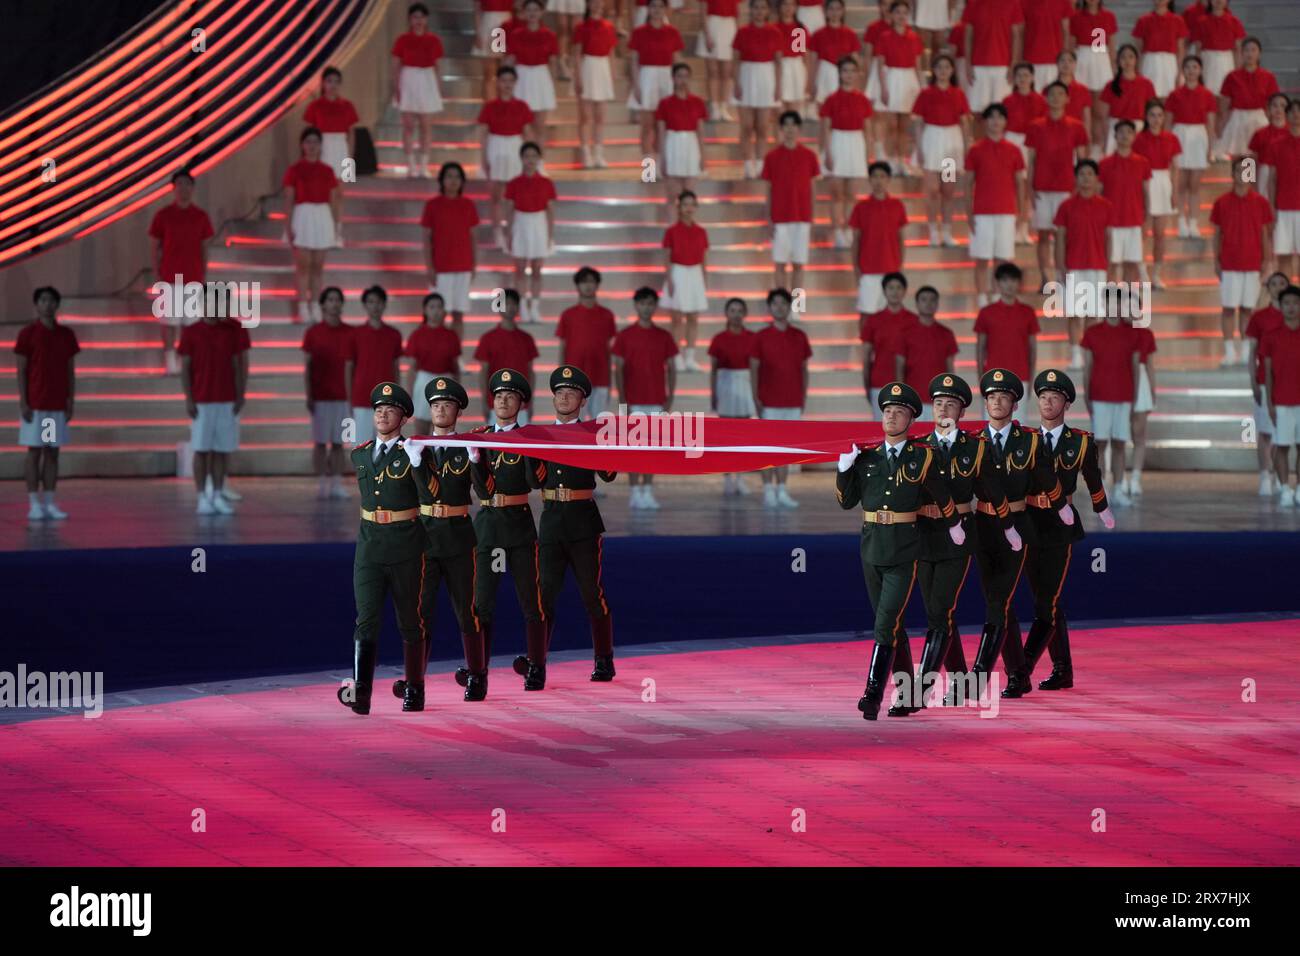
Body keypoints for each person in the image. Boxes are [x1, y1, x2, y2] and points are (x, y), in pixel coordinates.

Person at [835, 381, 962, 719]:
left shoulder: (922, 457)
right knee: (890, 626)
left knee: (885, 622)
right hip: (871, 548)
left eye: (899, 411)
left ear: (911, 419)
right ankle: (907, 694)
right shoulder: (867, 458)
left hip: (904, 550)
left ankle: (872, 695)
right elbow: (847, 502)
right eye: (887, 411)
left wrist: (955, 525)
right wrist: (843, 471)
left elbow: (941, 493)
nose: (891, 416)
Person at [914, 372, 1020, 709]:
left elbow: (991, 488)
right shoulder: (918, 447)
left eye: (951, 405)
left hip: (958, 533)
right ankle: (960, 680)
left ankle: (920, 690)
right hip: (923, 534)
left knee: (942, 608)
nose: (944, 409)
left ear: (962, 413)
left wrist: (1008, 526)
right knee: (935, 612)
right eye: (938, 404)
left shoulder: (975, 448)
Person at [973, 368, 1069, 699]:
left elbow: (1046, 479)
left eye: (1004, 397)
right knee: (998, 603)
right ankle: (1018, 674)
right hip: (983, 528)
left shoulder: (1029, 441)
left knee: (999, 600)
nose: (997, 402)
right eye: (991, 397)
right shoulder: (974, 443)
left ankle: (979, 675)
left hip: (1016, 525)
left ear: (1015, 405)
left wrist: (1062, 509)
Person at [1021, 369, 1116, 691]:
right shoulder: (1025, 440)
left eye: (1055, 397)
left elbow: (1093, 477)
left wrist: (1101, 508)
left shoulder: (1080, 441)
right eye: (1043, 397)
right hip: (1030, 521)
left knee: (1047, 600)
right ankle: (1063, 669)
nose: (1048, 402)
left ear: (1066, 403)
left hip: (1060, 525)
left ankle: (1023, 667)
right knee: (1044, 600)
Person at [395, 376, 488, 703]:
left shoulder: (467, 446)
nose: (441, 410)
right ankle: (414, 684)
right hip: (426, 537)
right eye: (436, 405)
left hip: (459, 537)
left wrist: (478, 462)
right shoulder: (416, 445)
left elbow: (486, 492)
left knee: (467, 611)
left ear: (457, 411)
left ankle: (477, 675)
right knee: (420, 613)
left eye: (447, 405)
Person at [338, 382, 426, 715]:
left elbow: (430, 493)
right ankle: (362, 693)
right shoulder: (360, 453)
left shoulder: (414, 452)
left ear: (403, 417)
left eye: (390, 410)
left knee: (409, 621)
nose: (382, 414)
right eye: (378, 409)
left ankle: (414, 689)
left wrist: (418, 464)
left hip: (405, 543)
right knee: (367, 620)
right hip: (370, 545)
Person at [537, 365, 619, 682]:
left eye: (571, 393)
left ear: (583, 401)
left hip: (583, 522)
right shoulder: (540, 435)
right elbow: (532, 480)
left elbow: (609, 475)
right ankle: (536, 661)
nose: (564, 397)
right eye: (560, 392)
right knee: (544, 596)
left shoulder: (592, 435)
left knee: (591, 593)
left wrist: (609, 445)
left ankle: (604, 659)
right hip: (552, 521)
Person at [471, 368, 549, 688]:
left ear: (521, 403)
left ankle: (537, 666)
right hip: (490, 527)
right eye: (499, 396)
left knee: (531, 601)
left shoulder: (530, 438)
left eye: (510, 396)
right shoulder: (480, 437)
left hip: (518, 527)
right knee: (482, 603)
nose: (503, 401)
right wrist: (476, 459)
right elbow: (482, 491)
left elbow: (535, 482)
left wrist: (529, 449)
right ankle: (478, 671)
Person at [15, 286, 79, 522]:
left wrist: (70, 400)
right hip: (36, 405)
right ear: (37, 304)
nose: (47, 304)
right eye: (43, 300)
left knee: (51, 453)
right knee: (34, 452)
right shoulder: (28, 334)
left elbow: (70, 371)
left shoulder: (66, 335)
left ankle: (50, 502)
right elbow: (21, 371)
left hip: (55, 407)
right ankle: (33, 503)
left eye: (52, 300)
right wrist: (24, 401)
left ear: (57, 304)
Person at [613, 287, 679, 509]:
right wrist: (623, 400)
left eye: (650, 303)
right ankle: (634, 492)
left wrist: (669, 398)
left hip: (656, 400)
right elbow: (618, 370)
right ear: (636, 306)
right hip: (633, 401)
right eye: (642, 303)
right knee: (633, 450)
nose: (646, 308)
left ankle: (647, 491)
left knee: (653, 449)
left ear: (655, 306)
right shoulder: (624, 336)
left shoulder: (664, 336)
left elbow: (671, 368)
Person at [179, 309, 250, 515]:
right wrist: (189, 399)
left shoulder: (231, 332)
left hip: (226, 399)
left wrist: (240, 395)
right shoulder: (192, 332)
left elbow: (238, 365)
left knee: (221, 450)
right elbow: (185, 368)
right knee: (201, 450)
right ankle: (202, 497)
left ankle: (217, 495)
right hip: (202, 400)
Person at [751, 288, 811, 508]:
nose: (779, 307)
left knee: (787, 448)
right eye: (775, 304)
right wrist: (755, 397)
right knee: (769, 447)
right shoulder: (760, 337)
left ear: (789, 307)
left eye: (783, 303)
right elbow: (754, 369)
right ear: (769, 308)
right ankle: (768, 490)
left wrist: (803, 395)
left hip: (792, 400)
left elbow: (804, 369)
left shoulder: (799, 336)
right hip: (769, 400)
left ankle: (782, 490)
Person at [1027, 81, 1090, 289]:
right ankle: (1045, 278)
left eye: (1060, 94)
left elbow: (1082, 161)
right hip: (1042, 188)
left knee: (1064, 235)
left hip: (1067, 188)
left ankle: (1063, 277)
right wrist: (1029, 187)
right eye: (1051, 94)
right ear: (1045, 98)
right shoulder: (1036, 126)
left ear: (1067, 99)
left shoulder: (1076, 126)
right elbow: (1032, 160)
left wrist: (1081, 188)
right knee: (1043, 235)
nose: (1056, 98)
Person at [1211, 157, 1275, 366]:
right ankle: (1229, 351)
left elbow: (1265, 234)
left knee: (1248, 309)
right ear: (1232, 174)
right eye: (1239, 170)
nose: (1243, 174)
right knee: (1229, 308)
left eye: (1247, 170)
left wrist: (1267, 259)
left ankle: (1247, 350)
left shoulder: (1260, 202)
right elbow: (1217, 234)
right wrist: (1216, 261)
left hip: (1253, 263)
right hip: (1229, 262)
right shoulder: (1222, 202)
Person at [149, 171, 214, 373]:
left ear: (192, 188)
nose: (183, 188)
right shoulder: (163, 215)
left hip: (193, 277)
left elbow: (205, 248)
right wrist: (156, 272)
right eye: (179, 184)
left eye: (187, 184)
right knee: (169, 321)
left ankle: (185, 361)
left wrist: (203, 273)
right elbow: (155, 247)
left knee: (190, 325)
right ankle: (169, 361)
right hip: (169, 276)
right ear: (173, 188)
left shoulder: (201, 216)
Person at [1053, 159, 1113, 369]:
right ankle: (1075, 354)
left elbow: (1108, 239)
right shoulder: (1066, 206)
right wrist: (1060, 266)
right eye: (1082, 174)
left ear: (1097, 179)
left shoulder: (1106, 206)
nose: (1086, 179)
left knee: (1094, 313)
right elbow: (1060, 238)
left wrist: (1110, 267)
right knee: (1074, 313)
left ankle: (1090, 351)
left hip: (1098, 266)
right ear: (1075, 178)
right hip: (1074, 265)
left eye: (1090, 174)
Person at [964, 103, 1025, 305]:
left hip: (1006, 212)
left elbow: (1019, 184)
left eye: (1000, 117)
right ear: (984, 121)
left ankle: (999, 298)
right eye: (991, 117)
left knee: (1001, 259)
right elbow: (967, 184)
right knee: (981, 259)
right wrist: (968, 213)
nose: (995, 121)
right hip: (982, 212)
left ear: (1006, 122)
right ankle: (982, 300)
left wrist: (1022, 213)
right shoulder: (975, 150)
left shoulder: (1015, 150)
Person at [1080, 309, 1142, 505]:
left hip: (1123, 396)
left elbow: (1135, 368)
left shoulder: (1133, 333)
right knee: (1100, 444)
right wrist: (1087, 394)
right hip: (1100, 395)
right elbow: (1088, 366)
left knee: (1119, 443)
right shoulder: (1092, 333)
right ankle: (1101, 492)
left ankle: (1118, 489)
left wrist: (1134, 397)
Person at [911, 53, 969, 247]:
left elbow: (964, 122)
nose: (943, 71)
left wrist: (966, 146)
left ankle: (946, 230)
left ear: (952, 71)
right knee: (932, 190)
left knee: (948, 190)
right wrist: (918, 148)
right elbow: (918, 123)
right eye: (939, 67)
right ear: (934, 71)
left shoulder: (958, 94)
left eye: (947, 67)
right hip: (931, 140)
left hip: (951, 144)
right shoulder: (926, 94)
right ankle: (933, 231)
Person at [283, 128, 339, 324]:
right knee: (303, 266)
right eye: (308, 141)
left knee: (318, 266)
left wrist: (335, 225)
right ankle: (302, 306)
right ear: (302, 145)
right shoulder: (294, 170)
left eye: (316, 141)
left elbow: (333, 201)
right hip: (303, 215)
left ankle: (315, 304)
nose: (312, 146)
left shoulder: (328, 171)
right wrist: (288, 226)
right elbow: (289, 200)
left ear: (321, 145)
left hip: (322, 215)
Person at [301, 286, 353, 500]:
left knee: (340, 443)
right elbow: (308, 367)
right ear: (322, 305)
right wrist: (309, 395)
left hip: (343, 396)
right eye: (330, 300)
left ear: (342, 304)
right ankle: (322, 482)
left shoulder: (351, 333)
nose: (334, 304)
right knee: (321, 442)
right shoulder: (313, 333)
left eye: (337, 300)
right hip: (321, 396)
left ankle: (337, 482)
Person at [479, 66, 536, 253]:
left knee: (513, 195)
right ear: (498, 83)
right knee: (496, 195)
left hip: (515, 148)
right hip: (496, 147)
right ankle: (498, 233)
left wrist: (533, 158)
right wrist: (483, 158)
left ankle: (511, 231)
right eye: (504, 81)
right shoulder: (490, 107)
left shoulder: (522, 106)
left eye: (511, 81)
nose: (507, 85)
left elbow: (528, 134)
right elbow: (484, 135)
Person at [762, 110, 821, 290]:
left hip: (802, 218)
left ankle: (797, 308)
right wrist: (769, 218)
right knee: (780, 264)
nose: (789, 129)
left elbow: (812, 189)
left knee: (798, 265)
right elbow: (768, 190)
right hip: (780, 218)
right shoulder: (771, 157)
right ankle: (780, 306)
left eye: (793, 125)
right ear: (780, 129)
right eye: (786, 125)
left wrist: (812, 217)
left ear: (799, 129)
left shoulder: (809, 156)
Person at [421, 162, 479, 340]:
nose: (453, 181)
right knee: (438, 314)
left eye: (457, 177)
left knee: (458, 314)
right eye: (449, 176)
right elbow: (426, 239)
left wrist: (474, 264)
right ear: (442, 180)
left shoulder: (468, 205)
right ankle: (438, 354)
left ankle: (456, 354)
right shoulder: (432, 205)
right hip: (441, 267)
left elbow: (473, 237)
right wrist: (429, 267)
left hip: (463, 266)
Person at [821, 58, 873, 248]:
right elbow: (825, 129)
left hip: (856, 144)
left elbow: (868, 130)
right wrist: (827, 152)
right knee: (837, 194)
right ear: (839, 74)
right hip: (837, 141)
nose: (849, 75)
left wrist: (868, 155)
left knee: (851, 195)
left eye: (852, 71)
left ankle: (849, 231)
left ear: (857, 74)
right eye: (845, 71)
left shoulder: (863, 100)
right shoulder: (831, 99)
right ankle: (836, 232)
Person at [1244, 272, 1289, 496]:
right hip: (1265, 381)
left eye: (1282, 283)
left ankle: (1283, 479)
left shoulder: (1294, 317)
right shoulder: (1259, 317)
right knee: (1264, 432)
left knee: (1285, 433)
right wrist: (1253, 382)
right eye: (1274, 284)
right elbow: (1252, 354)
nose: (1278, 287)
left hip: (1291, 383)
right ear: (1268, 288)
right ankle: (1265, 475)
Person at [303, 66, 359, 245]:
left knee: (340, 193)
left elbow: (351, 133)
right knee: (324, 192)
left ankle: (337, 232)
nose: (333, 85)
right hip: (322, 147)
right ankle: (324, 231)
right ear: (323, 83)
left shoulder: (347, 105)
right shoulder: (315, 105)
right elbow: (309, 133)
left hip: (341, 148)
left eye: (336, 81)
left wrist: (350, 159)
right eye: (329, 81)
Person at [1165, 55, 1219, 237]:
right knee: (1181, 183)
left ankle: (1194, 222)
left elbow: (1211, 124)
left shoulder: (1208, 95)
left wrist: (1211, 148)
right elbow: (1168, 124)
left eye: (1194, 67)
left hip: (1198, 137)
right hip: (1179, 134)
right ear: (1182, 70)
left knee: (1194, 184)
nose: (1191, 71)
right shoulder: (1174, 95)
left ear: (1200, 70)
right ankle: (1181, 222)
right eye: (1187, 67)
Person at [709, 297, 757, 496]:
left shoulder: (752, 338)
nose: (736, 314)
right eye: (732, 310)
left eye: (740, 310)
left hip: (745, 382)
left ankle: (741, 478)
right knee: (726, 437)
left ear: (744, 314)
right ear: (727, 314)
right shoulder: (719, 338)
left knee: (744, 436)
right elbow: (713, 369)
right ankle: (728, 478)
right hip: (726, 384)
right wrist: (713, 393)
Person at [391, 3, 445, 179]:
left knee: (425, 128)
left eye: (421, 17)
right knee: (408, 127)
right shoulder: (402, 40)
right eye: (415, 17)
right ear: (409, 19)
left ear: (426, 19)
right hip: (408, 79)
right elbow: (396, 66)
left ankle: (423, 166)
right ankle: (411, 166)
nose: (418, 20)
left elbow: (437, 67)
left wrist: (437, 89)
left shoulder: (434, 40)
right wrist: (396, 88)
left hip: (427, 80)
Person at [345, 285, 404, 445]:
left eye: (378, 302)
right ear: (365, 305)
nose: (375, 306)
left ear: (384, 304)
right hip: (362, 398)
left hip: (387, 399)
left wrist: (397, 398)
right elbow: (349, 368)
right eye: (371, 302)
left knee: (387, 446)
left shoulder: (394, 334)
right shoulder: (355, 334)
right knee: (361, 446)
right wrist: (349, 398)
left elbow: (396, 367)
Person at [505, 141, 557, 324]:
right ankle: (522, 308)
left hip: (539, 223)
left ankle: (534, 307)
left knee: (536, 269)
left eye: (534, 156)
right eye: (527, 156)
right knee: (519, 269)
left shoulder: (546, 183)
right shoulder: (514, 183)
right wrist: (508, 233)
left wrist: (550, 235)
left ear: (539, 159)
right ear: (521, 159)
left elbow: (550, 211)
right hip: (521, 223)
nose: (530, 160)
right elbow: (510, 209)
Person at [557, 267, 618, 419]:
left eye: (591, 281)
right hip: (574, 379)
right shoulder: (568, 315)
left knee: (600, 424)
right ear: (577, 286)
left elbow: (609, 350)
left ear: (597, 285)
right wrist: (562, 380)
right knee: (575, 424)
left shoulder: (607, 315)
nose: (588, 285)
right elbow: (563, 348)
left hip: (600, 377)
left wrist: (610, 381)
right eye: (584, 282)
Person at [733, 0, 785, 179]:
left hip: (766, 78)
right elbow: (736, 60)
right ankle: (748, 165)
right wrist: (736, 83)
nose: (759, 11)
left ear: (768, 10)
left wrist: (778, 86)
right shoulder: (742, 32)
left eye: (763, 8)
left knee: (762, 127)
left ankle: (761, 164)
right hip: (747, 76)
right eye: (756, 7)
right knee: (747, 127)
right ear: (750, 10)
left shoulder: (775, 32)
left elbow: (778, 62)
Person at [850, 162, 908, 317]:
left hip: (891, 268)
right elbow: (856, 240)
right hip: (868, 269)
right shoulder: (861, 207)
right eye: (875, 176)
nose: (878, 181)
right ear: (869, 180)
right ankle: (866, 341)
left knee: (890, 313)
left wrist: (900, 264)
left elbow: (900, 238)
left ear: (888, 179)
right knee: (866, 312)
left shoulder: (897, 206)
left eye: (882, 176)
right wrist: (856, 267)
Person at [628, 0, 684, 159]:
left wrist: (678, 83)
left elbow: (677, 59)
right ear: (648, 9)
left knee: (663, 126)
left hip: (666, 78)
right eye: (654, 6)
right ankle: (648, 171)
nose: (657, 10)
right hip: (646, 78)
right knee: (647, 127)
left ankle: (660, 166)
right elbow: (634, 61)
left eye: (661, 6)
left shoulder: (672, 32)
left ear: (666, 9)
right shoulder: (639, 32)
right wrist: (636, 85)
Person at [1098, 120, 1152, 287]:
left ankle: (1128, 301)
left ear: (1134, 136)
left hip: (1134, 220)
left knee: (1131, 263)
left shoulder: (1142, 163)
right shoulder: (1104, 164)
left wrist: (1146, 218)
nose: (1125, 136)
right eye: (1121, 132)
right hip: (1111, 222)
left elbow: (1146, 193)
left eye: (1129, 132)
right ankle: (1111, 302)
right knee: (1111, 263)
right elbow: (1099, 193)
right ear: (1115, 136)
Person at [1134, 100, 1182, 288]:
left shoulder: (1171, 139)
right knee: (1143, 233)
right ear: (1146, 117)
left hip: (1163, 183)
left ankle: (1156, 273)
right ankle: (1141, 270)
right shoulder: (1138, 139)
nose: (1156, 119)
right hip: (1144, 183)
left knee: (1160, 234)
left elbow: (1175, 168)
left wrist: (1174, 191)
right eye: (1152, 115)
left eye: (1160, 115)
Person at [661, 190, 710, 371]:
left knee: (693, 318)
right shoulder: (671, 231)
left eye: (692, 204)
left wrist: (704, 279)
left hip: (695, 273)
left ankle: (690, 357)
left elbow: (704, 258)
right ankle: (677, 357)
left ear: (696, 207)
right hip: (678, 272)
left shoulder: (701, 232)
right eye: (685, 205)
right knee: (676, 319)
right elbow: (666, 257)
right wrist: (669, 280)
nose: (688, 208)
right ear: (679, 208)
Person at [474, 288, 539, 423]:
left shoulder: (526, 339)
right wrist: (484, 401)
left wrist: (530, 401)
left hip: (521, 403)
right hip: (496, 403)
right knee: (496, 443)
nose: (510, 307)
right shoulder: (488, 338)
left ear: (518, 307)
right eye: (506, 304)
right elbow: (483, 372)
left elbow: (530, 372)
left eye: (513, 304)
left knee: (520, 442)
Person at [875, 1, 923, 174]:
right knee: (891, 125)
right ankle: (889, 160)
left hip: (909, 80)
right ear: (891, 15)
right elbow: (880, 65)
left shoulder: (914, 37)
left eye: (904, 13)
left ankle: (902, 160)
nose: (901, 16)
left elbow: (918, 65)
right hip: (892, 78)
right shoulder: (884, 37)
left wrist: (921, 86)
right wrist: (883, 88)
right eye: (898, 13)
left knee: (904, 126)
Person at [1262, 285, 1300, 507]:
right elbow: (1267, 372)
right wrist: (1270, 402)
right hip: (1281, 400)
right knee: (1282, 446)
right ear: (1281, 306)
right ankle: (1285, 487)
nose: (1291, 307)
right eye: (1287, 303)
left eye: (1295, 303)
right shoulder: (1271, 336)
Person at [860, 272, 918, 414]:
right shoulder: (873, 320)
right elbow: (866, 356)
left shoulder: (914, 320)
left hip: (909, 384)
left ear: (904, 291)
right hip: (880, 383)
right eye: (891, 288)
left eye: (899, 288)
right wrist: (867, 385)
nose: (895, 292)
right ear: (884, 291)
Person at [404, 292, 462, 434]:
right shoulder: (417, 335)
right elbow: (411, 368)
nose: (436, 311)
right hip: (424, 381)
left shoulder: (451, 335)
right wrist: (410, 394)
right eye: (432, 307)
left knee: (445, 428)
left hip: (447, 381)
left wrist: (458, 393)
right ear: (425, 310)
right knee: (422, 428)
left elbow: (456, 367)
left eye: (439, 307)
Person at [1004, 62, 1048, 244]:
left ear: (1032, 78)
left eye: (1026, 76)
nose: (1023, 79)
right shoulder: (1007, 100)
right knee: (1014, 186)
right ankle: (1013, 227)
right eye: (1019, 76)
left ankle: (1024, 227)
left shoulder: (1040, 101)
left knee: (1028, 186)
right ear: (1014, 79)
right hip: (1012, 140)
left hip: (1031, 143)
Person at [506, 0, 559, 150]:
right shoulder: (516, 35)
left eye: (536, 10)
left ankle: (539, 161)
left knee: (540, 125)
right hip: (522, 78)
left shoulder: (550, 35)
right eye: (529, 10)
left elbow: (553, 61)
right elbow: (510, 60)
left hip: (541, 78)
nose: (532, 13)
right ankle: (522, 159)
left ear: (541, 13)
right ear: (524, 13)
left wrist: (552, 85)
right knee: (522, 124)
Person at [1214, 37, 1278, 162]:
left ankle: (1251, 181)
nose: (1250, 54)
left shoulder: (1268, 77)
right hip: (1238, 118)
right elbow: (1224, 105)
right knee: (1239, 158)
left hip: (1259, 119)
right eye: (1247, 50)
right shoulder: (1232, 76)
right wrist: (1221, 126)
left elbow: (1272, 104)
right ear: (1241, 53)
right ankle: (1240, 181)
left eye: (1253, 50)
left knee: (1257, 157)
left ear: (1259, 54)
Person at [974, 262, 1039, 381]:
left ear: (1019, 283)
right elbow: (980, 349)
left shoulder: (1028, 312)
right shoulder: (986, 312)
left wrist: (1030, 380)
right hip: (993, 377)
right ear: (997, 283)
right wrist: (981, 379)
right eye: (1004, 280)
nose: (1009, 285)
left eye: (1013, 280)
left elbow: (1032, 349)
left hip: (1021, 377)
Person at [657, 63, 709, 211]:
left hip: (691, 145)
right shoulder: (665, 103)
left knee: (689, 195)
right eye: (680, 76)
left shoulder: (698, 102)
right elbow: (660, 133)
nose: (683, 80)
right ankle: (672, 228)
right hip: (673, 144)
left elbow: (700, 131)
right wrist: (662, 159)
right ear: (673, 78)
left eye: (686, 76)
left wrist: (703, 156)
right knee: (672, 196)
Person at [962, 0, 1024, 122]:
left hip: (1003, 67)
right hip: (978, 65)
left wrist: (1013, 65)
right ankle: (980, 141)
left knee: (1002, 111)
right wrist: (968, 65)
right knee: (977, 112)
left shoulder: (1013, 3)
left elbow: (1016, 36)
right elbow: (968, 36)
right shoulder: (973, 3)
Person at [1069, 0, 1118, 152]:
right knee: (1082, 109)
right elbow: (1071, 43)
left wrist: (1113, 66)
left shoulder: (1108, 16)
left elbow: (1110, 43)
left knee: (1101, 111)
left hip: (1100, 60)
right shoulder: (1075, 16)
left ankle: (1099, 148)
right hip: (1082, 60)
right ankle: (1084, 147)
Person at [574, 0, 617, 168]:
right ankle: (585, 153)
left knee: (600, 116)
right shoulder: (581, 27)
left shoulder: (608, 26)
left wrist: (612, 74)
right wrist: (578, 77)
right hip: (588, 67)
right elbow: (577, 54)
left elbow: (612, 52)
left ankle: (598, 153)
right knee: (585, 116)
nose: (597, 4)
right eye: (593, 2)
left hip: (603, 68)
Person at [899, 285, 956, 408]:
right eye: (924, 299)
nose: (928, 303)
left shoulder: (946, 333)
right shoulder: (905, 333)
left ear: (937, 304)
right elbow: (899, 368)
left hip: (940, 400)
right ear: (917, 304)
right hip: (913, 400)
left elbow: (950, 369)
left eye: (932, 300)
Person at [1098, 44, 1156, 155]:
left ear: (1136, 60)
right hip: (1115, 128)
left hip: (1138, 128)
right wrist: (1104, 138)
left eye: (1131, 57)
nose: (1127, 61)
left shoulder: (1146, 84)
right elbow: (1103, 116)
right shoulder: (1111, 85)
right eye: (1123, 57)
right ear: (1118, 61)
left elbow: (1151, 111)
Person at [808, 0, 859, 110]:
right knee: (824, 111)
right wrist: (811, 83)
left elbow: (855, 61)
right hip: (824, 75)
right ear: (825, 11)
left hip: (843, 75)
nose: (834, 13)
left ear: (843, 11)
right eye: (831, 9)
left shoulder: (850, 34)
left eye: (838, 9)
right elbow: (812, 62)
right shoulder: (818, 34)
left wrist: (855, 82)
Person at [1270, 101, 1300, 288]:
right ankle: (1285, 294)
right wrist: (1248, 187)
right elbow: (1248, 158)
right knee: (1283, 254)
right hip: (1281, 205)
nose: (1296, 115)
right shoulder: (1260, 134)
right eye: (1292, 112)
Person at [1133, 0, 1189, 98]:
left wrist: (1180, 72)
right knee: (1149, 96)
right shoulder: (1143, 20)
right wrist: (1137, 70)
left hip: (1170, 63)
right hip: (1149, 62)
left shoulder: (1178, 20)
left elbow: (1181, 50)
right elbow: (1139, 50)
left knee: (1169, 97)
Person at [1127, 318, 1158, 497]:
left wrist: (1152, 391)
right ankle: (1119, 479)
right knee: (1119, 437)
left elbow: (1150, 366)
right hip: (1121, 377)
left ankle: (1136, 478)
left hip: (1141, 383)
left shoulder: (1146, 334)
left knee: (1138, 435)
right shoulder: (1119, 333)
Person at [1189, 0, 1244, 98]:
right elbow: (1197, 50)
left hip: (1227, 62)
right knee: (1207, 95)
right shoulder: (1201, 21)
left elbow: (1238, 50)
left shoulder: (1234, 22)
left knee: (1225, 96)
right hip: (1208, 62)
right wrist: (1198, 71)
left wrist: (1238, 72)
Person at [696, 0, 741, 121]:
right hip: (713, 25)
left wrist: (737, 34)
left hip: (729, 26)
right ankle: (714, 107)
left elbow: (736, 13)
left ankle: (724, 107)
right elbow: (703, 12)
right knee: (713, 71)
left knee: (727, 72)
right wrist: (707, 35)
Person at [1248, 93, 1291, 205]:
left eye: (1283, 106)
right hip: (1264, 176)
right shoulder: (1259, 134)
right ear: (1268, 109)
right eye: (1275, 105)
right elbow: (1250, 161)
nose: (1278, 109)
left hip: (1289, 176)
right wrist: (1251, 185)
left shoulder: (1294, 133)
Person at [1022, 0, 1072, 92]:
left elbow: (1066, 32)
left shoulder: (1063, 2)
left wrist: (1066, 59)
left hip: (1055, 61)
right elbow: (1021, 32)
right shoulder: (1024, 2)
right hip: (1031, 60)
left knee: (1054, 98)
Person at [775, 0, 809, 117]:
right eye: (784, 4)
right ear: (779, 7)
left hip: (796, 67)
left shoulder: (799, 28)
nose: (788, 8)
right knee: (779, 107)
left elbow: (804, 54)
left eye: (791, 5)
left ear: (795, 7)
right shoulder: (774, 28)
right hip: (779, 67)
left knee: (794, 107)